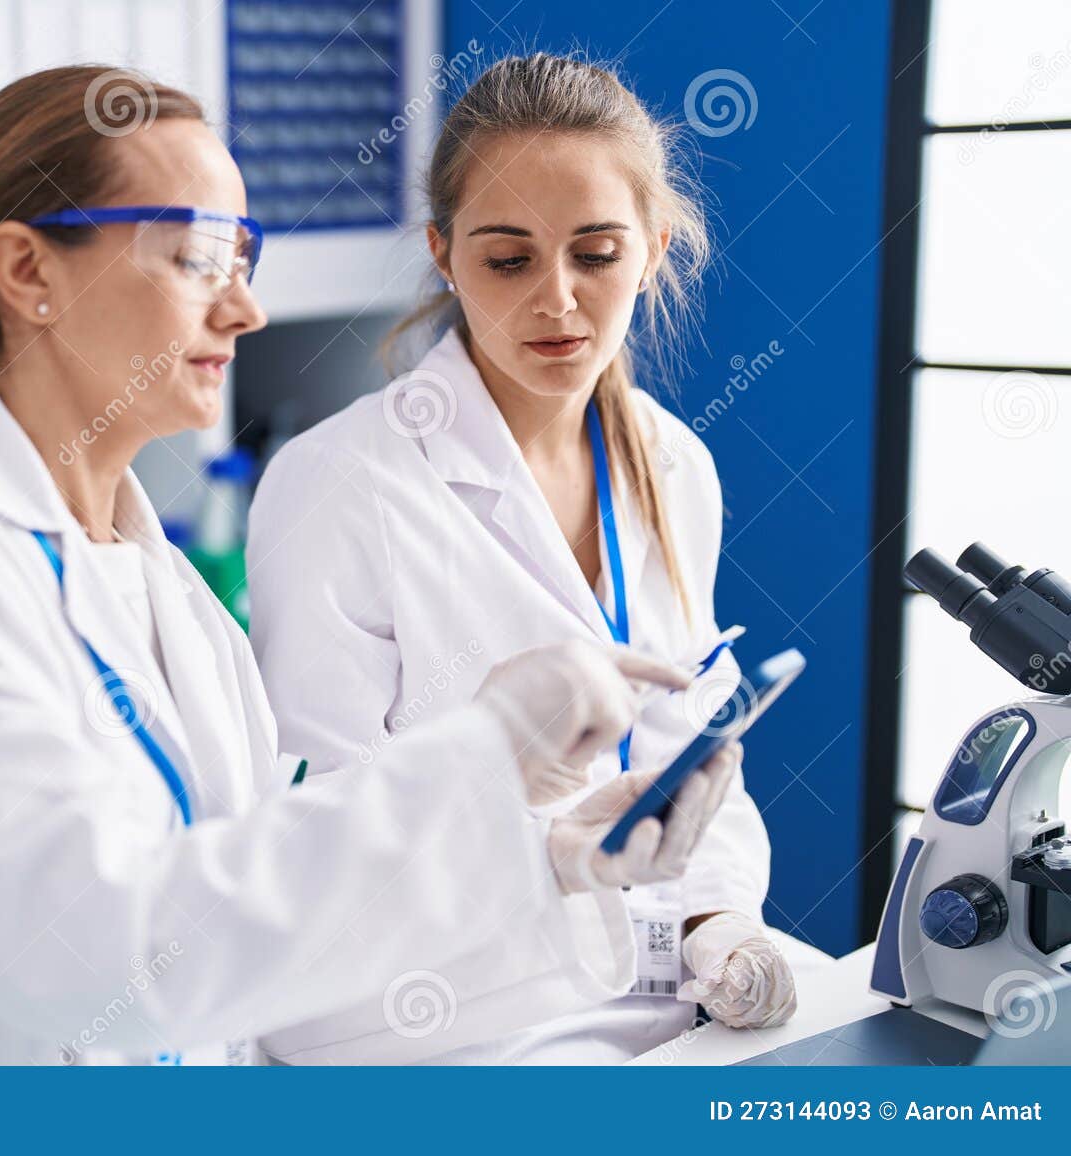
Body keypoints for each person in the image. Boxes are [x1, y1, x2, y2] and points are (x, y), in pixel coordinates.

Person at [0, 65, 729, 1066]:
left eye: (243, 260)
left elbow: (251, 915)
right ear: (28, 273)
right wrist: (483, 752)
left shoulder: (176, 603)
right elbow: (100, 959)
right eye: (198, 258)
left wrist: (544, 858)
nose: (243, 311)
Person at [246, 53, 799, 1064]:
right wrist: (549, 861)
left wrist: (716, 920)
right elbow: (320, 835)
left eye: (595, 254)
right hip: (426, 1017)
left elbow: (691, 744)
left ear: (654, 248)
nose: (556, 300)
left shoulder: (674, 464)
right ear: (444, 254)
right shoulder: (335, 483)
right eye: (508, 260)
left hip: (646, 991)